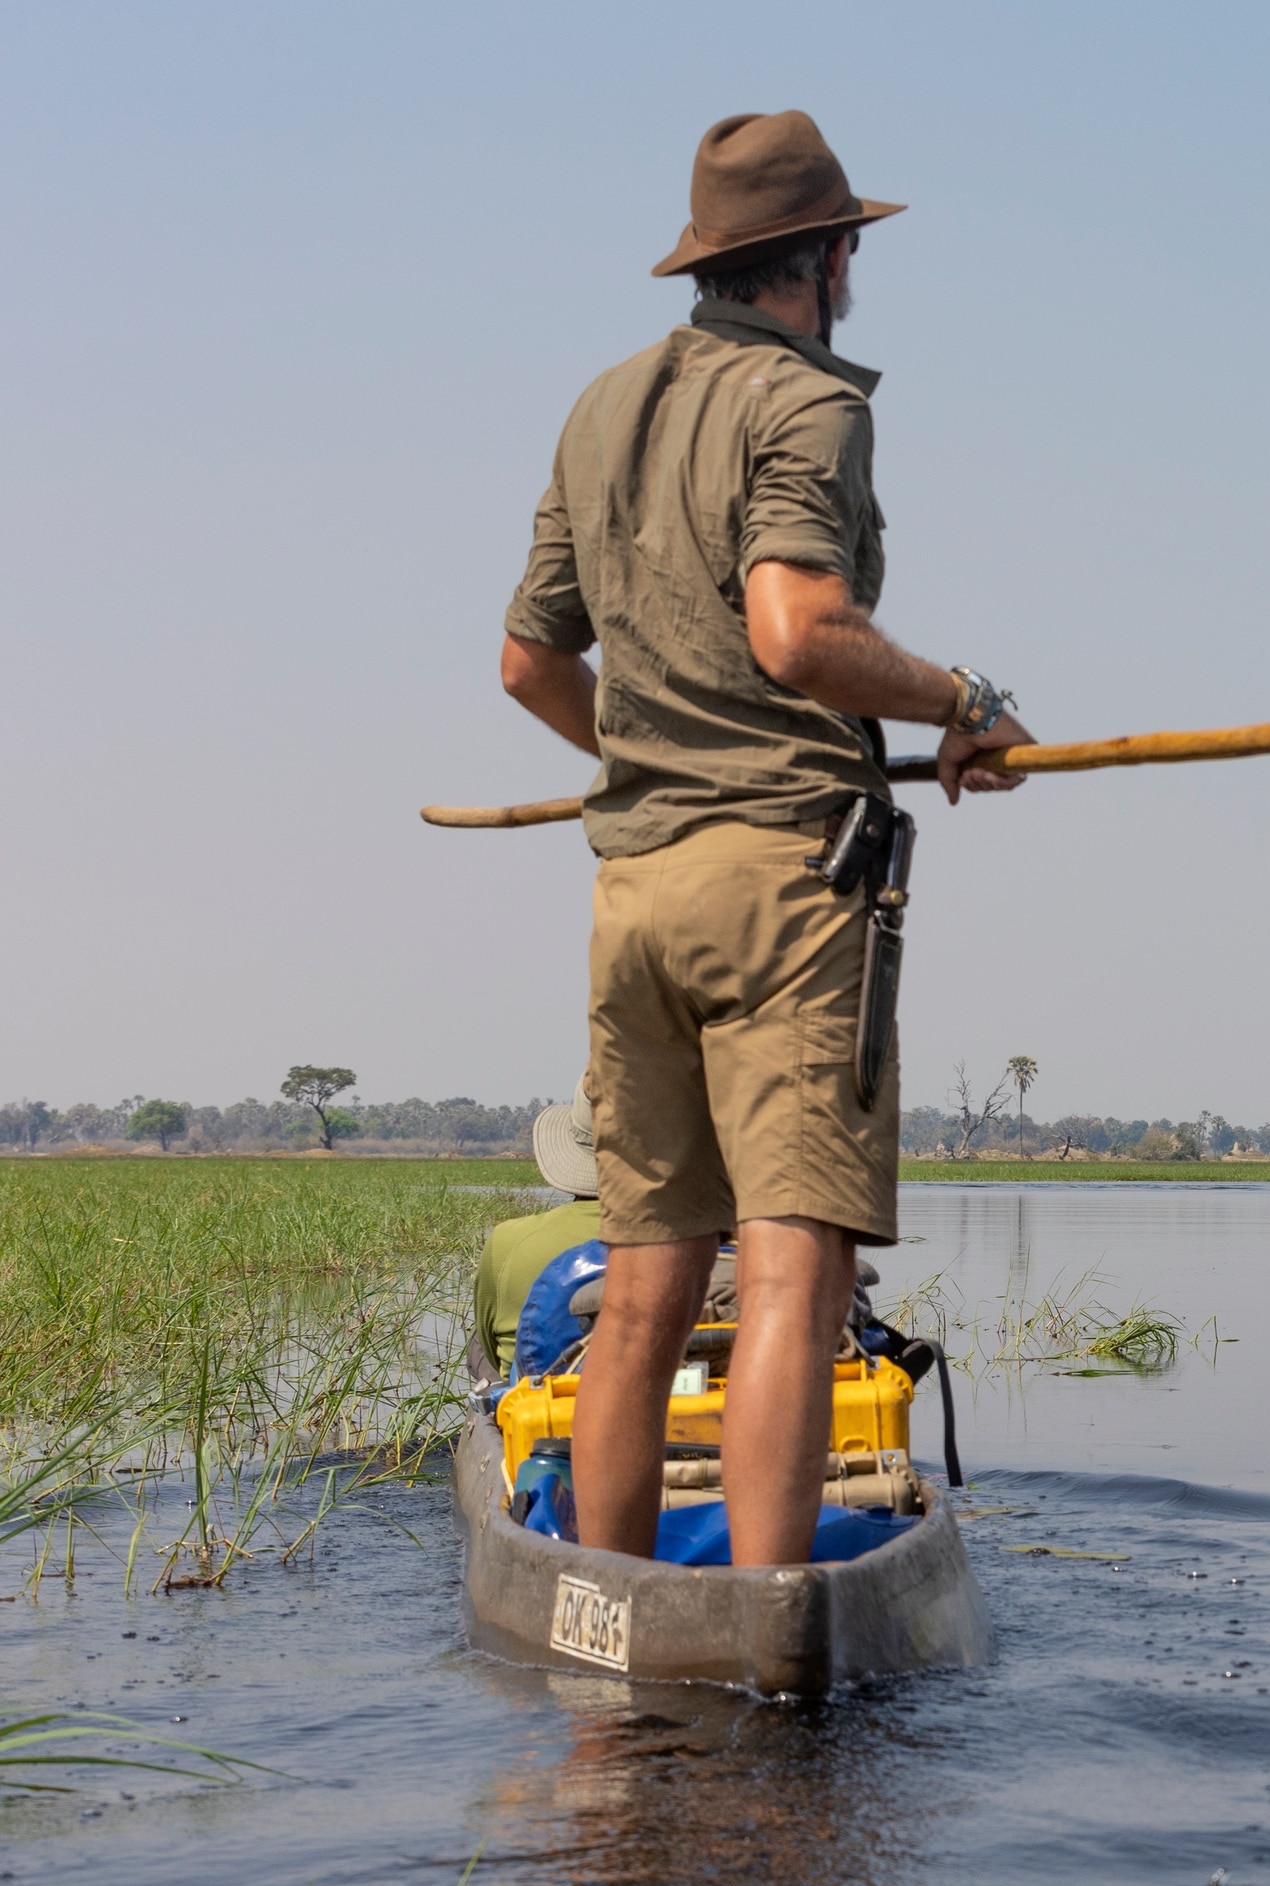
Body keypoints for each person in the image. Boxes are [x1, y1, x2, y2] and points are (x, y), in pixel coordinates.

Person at [495, 111, 1031, 1565]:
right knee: (793, 1275)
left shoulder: (601, 407)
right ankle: (772, 1625)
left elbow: (531, 664)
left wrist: (657, 756)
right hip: (787, 887)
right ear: (832, 256)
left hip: (634, 897)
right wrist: (962, 700)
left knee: (652, 1279)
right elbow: (799, 631)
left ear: (710, 262)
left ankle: (606, 1615)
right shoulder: (810, 404)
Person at [470, 1082, 606, 1384]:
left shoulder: (509, 1240)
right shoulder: (703, 1240)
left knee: (477, 1343)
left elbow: (491, 1349)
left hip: (532, 1404)